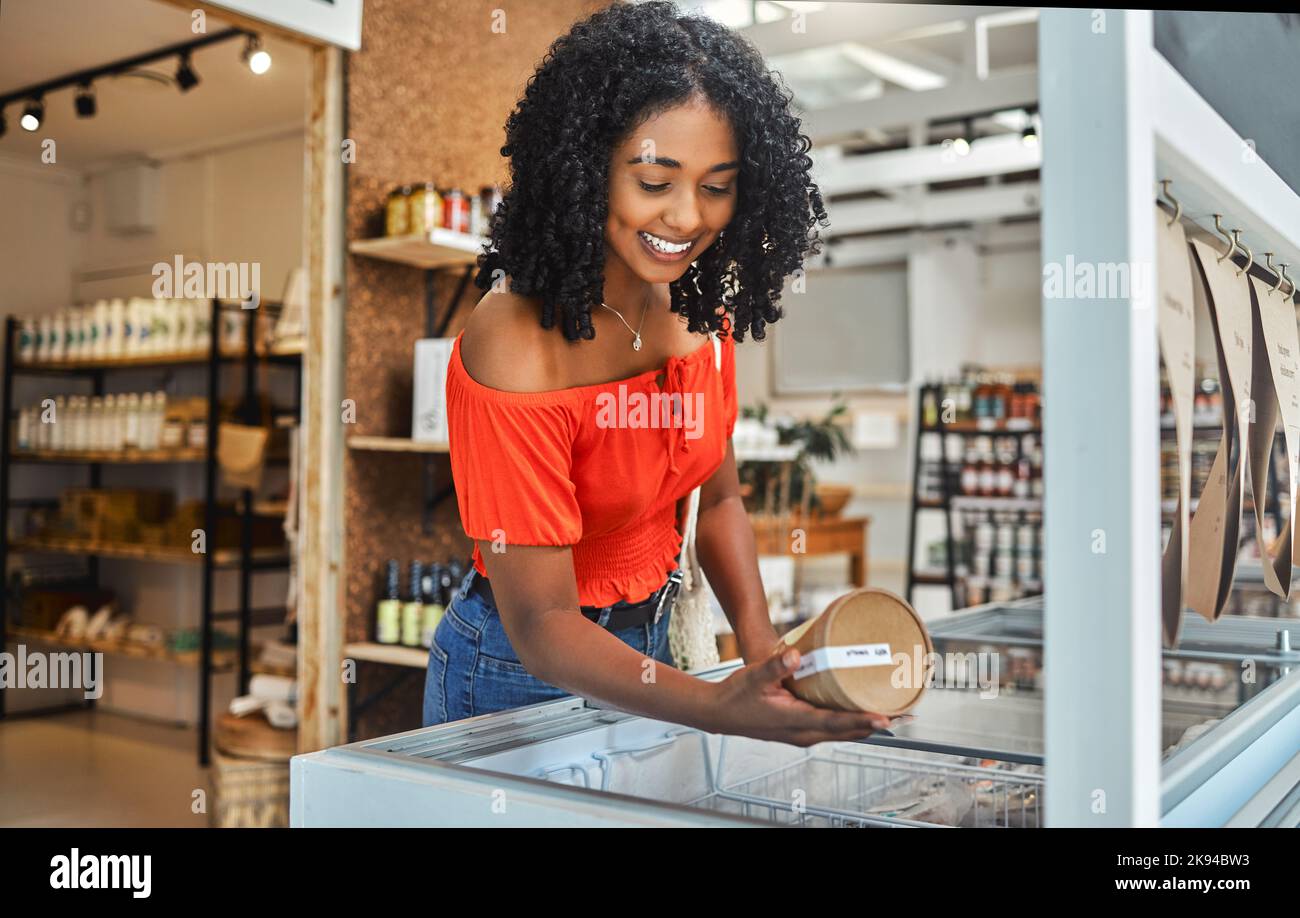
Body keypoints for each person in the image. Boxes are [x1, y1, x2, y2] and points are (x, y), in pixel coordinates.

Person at [423, 1, 890, 746]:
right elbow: (541, 619)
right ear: (586, 169)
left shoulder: (704, 316)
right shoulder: (514, 340)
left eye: (716, 186)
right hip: (516, 671)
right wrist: (719, 709)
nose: (685, 217)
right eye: (654, 180)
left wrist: (761, 645)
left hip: (658, 646)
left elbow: (723, 498)